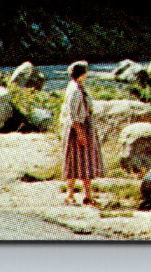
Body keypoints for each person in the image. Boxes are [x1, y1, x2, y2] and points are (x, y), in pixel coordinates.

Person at [59, 61, 103, 206]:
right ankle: (72, 194)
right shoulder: (75, 90)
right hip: (78, 128)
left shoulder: (78, 87)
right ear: (81, 73)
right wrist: (80, 133)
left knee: (83, 162)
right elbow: (73, 114)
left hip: (82, 127)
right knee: (77, 161)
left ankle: (85, 195)